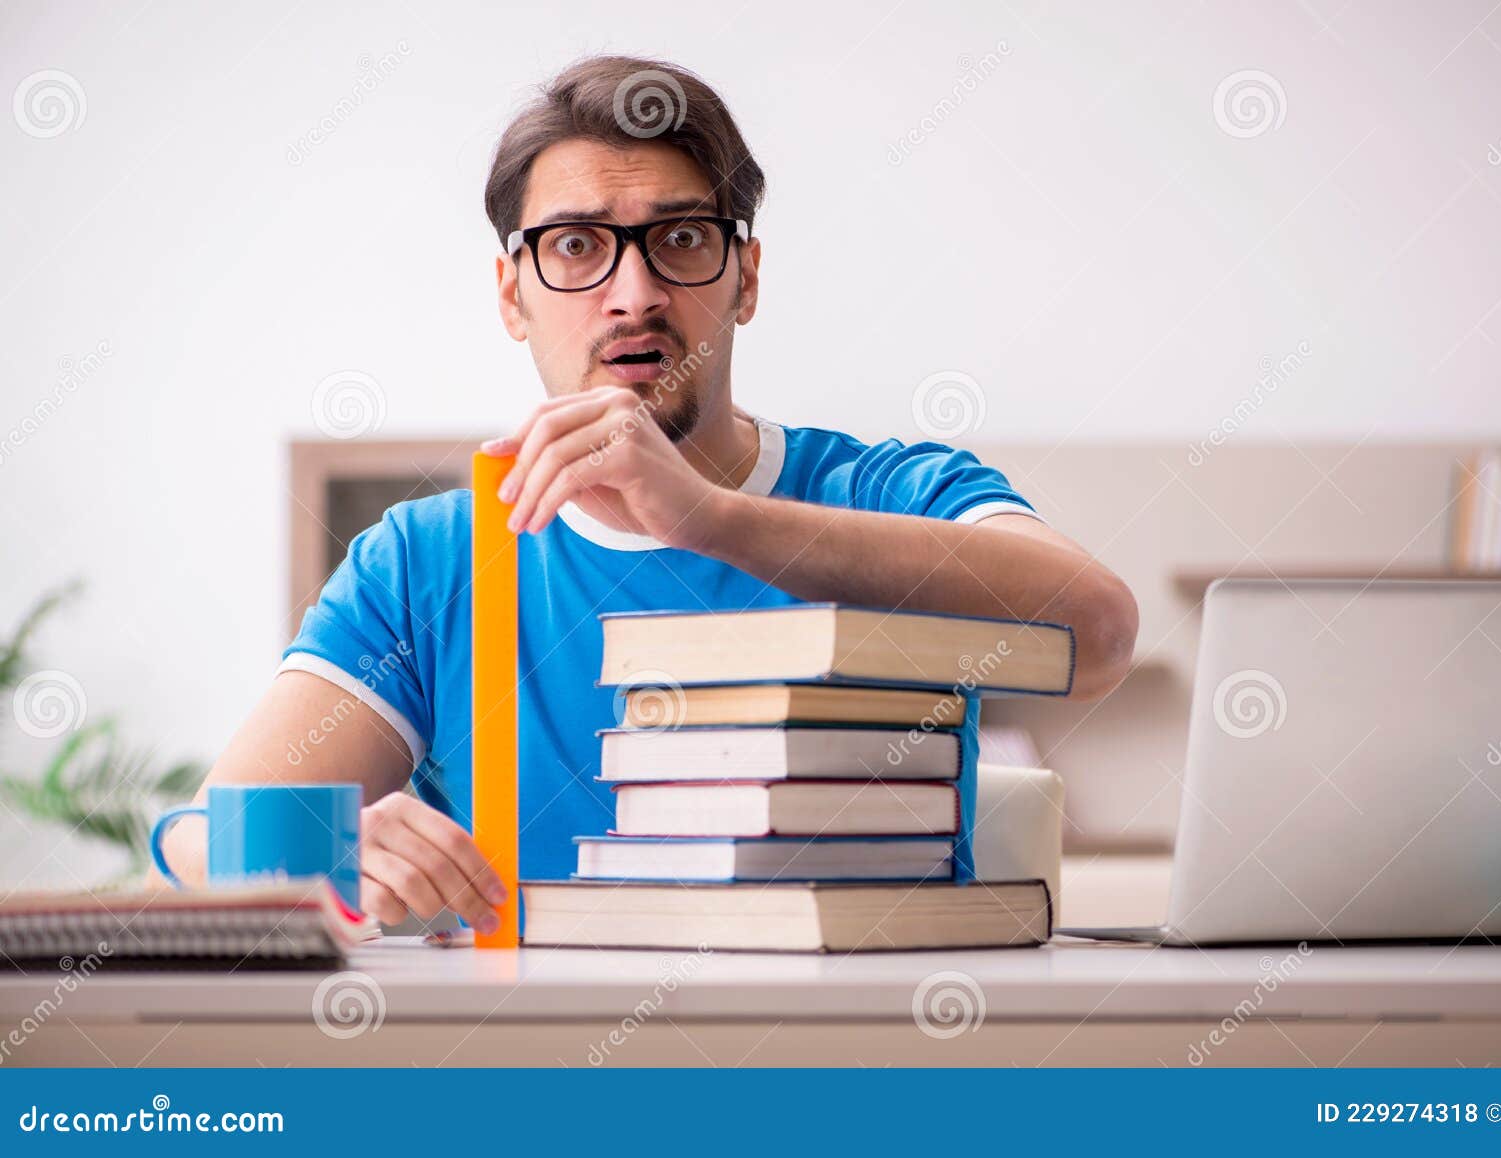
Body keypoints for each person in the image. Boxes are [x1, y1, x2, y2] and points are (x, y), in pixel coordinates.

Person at [151, 55, 1138, 935]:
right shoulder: (429, 563)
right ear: (511, 295)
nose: (634, 293)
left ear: (744, 277)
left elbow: (1097, 633)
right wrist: (335, 851)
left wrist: (706, 517)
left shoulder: (890, 493)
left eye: (680, 239)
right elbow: (198, 837)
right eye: (577, 246)